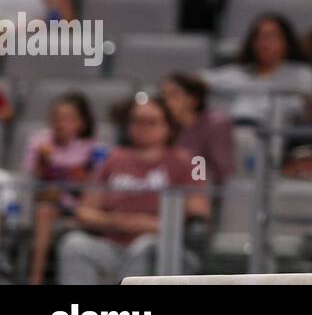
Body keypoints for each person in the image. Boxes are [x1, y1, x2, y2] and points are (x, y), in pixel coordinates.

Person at [56, 95, 209, 285]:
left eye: (150, 122)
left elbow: (199, 211)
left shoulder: (192, 161)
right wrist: (122, 222)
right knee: (74, 245)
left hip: (162, 246)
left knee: (145, 247)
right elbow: (84, 212)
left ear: (168, 126)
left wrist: (156, 226)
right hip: (113, 244)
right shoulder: (112, 158)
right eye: (137, 121)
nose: (142, 127)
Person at [20, 93, 97, 285]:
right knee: (46, 208)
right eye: (56, 118)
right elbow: (28, 176)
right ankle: (35, 279)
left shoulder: (92, 147)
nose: (60, 123)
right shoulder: (40, 141)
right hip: (45, 202)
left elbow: (90, 180)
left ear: (82, 123)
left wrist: (58, 165)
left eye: (68, 119)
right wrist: (42, 161)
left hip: (79, 203)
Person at [204, 15, 312, 124]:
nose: (265, 43)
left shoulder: (303, 74)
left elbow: (309, 109)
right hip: (233, 131)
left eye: (272, 36)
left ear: (286, 42)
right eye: (259, 37)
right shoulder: (238, 73)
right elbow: (200, 79)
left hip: (279, 134)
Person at [160, 73, 235, 186]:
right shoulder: (162, 126)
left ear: (193, 100)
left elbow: (221, 170)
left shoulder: (216, 125)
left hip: (203, 190)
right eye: (164, 96)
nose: (165, 102)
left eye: (173, 95)